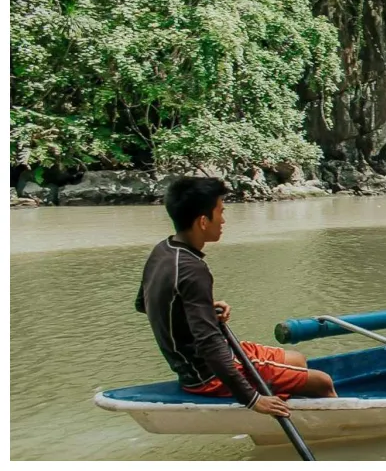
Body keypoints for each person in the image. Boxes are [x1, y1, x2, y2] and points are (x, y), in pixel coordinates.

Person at [136, 177, 336, 418]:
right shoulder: (193, 270)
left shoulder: (162, 250)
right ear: (203, 221)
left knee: (298, 360)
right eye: (220, 212)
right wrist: (252, 399)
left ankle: (293, 404)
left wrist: (201, 308)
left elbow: (144, 304)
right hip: (207, 375)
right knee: (322, 382)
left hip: (202, 362)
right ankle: (337, 429)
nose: (223, 220)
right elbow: (209, 344)